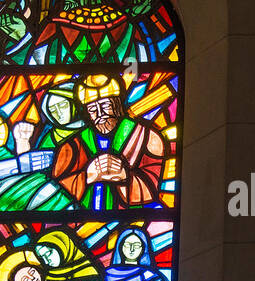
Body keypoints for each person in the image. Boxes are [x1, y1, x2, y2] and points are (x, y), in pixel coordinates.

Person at [51, 73, 168, 209]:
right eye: (93, 109)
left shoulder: (146, 136)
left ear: (117, 105)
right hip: (82, 222)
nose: (100, 114)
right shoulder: (72, 146)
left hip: (132, 218)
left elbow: (154, 186)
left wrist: (124, 176)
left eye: (105, 105)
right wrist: (88, 176)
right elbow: (57, 192)